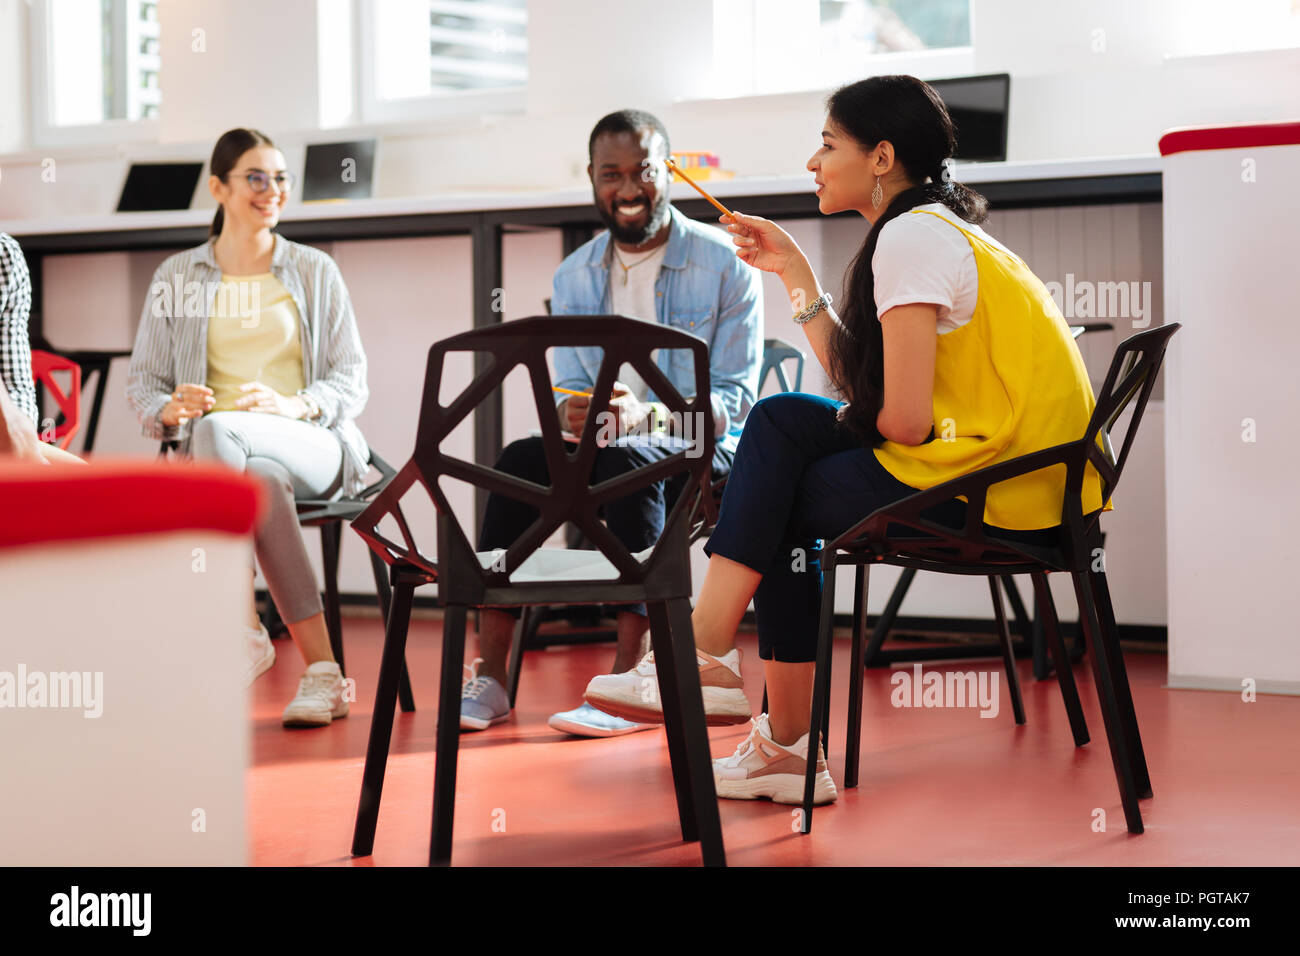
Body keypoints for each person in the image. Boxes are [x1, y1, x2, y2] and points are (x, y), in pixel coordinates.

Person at [585, 75, 1111, 804]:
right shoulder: (930, 229)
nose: (813, 161)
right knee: (778, 436)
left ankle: (742, 695)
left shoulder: (910, 238)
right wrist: (794, 273)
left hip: (998, 487)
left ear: (882, 157)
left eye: (829, 144)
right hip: (1025, 476)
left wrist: (821, 434)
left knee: (780, 477)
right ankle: (739, 694)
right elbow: (873, 396)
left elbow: (902, 422)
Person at [461, 109, 763, 737]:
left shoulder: (726, 264)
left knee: (631, 459)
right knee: (518, 458)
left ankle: (631, 678)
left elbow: (731, 399)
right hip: (607, 442)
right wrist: (574, 407)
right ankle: (491, 673)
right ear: (594, 180)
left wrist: (646, 415)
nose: (628, 190)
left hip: (701, 445)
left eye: (643, 171)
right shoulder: (575, 272)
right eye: (611, 175)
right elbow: (572, 388)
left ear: (669, 172)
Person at [126, 128, 370, 729]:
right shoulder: (177, 276)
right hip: (237, 465)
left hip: (316, 445)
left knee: (221, 433)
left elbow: (351, 379)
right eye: (255, 178)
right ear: (218, 188)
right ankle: (323, 674)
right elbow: (143, 386)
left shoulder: (313, 270)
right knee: (251, 471)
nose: (273, 190)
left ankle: (239, 622)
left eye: (280, 178)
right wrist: (169, 409)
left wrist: (294, 406)